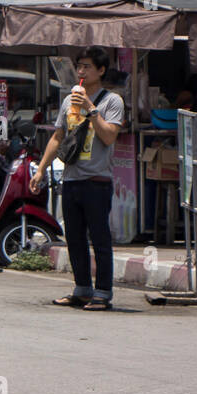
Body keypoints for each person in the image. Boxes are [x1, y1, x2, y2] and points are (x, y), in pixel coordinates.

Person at [32, 47, 125, 311]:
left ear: (101, 70)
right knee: (74, 238)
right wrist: (40, 169)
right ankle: (82, 289)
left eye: (86, 67)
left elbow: (108, 136)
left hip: (97, 181)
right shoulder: (68, 101)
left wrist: (91, 109)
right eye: (79, 67)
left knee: (100, 238)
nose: (81, 72)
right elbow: (58, 136)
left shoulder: (111, 101)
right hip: (71, 179)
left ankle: (103, 292)